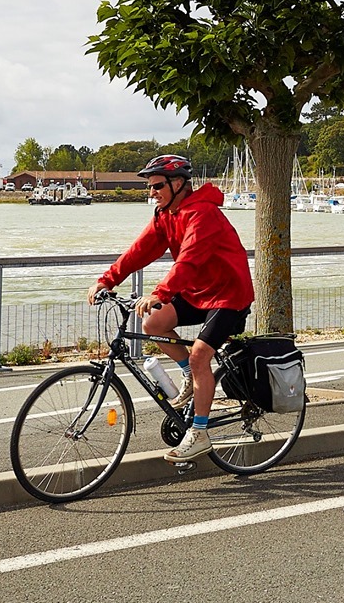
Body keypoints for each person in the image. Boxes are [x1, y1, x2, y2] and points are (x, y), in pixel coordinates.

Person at [85, 154, 253, 465]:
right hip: (197, 292)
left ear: (178, 184)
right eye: (150, 187)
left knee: (201, 354)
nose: (152, 192)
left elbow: (188, 260)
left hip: (228, 294)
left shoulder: (202, 214)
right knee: (153, 323)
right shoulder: (166, 214)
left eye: (157, 185)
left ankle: (200, 433)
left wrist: (159, 292)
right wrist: (107, 280)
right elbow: (141, 250)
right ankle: (191, 376)